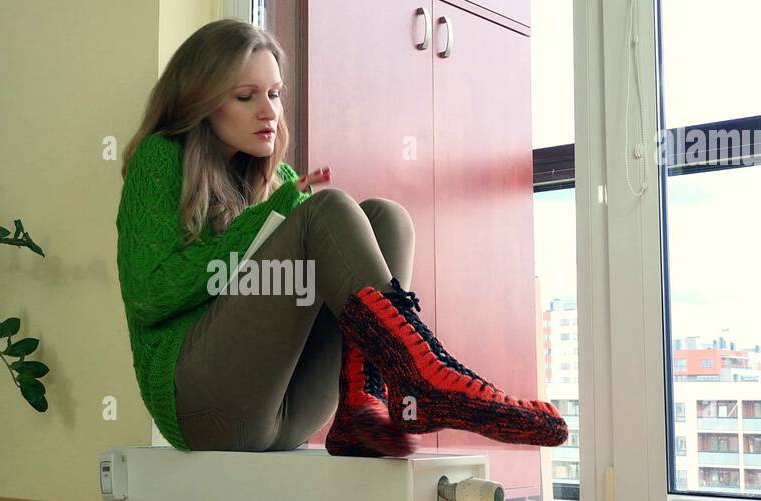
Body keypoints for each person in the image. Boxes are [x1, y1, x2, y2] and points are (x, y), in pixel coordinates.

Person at [116, 19, 568, 456]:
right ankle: (422, 373)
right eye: (244, 96)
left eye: (274, 93)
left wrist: (273, 212)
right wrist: (262, 220)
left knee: (385, 217)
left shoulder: (281, 183)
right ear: (201, 101)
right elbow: (147, 295)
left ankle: (362, 403)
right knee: (326, 208)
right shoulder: (161, 159)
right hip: (203, 407)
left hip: (287, 411)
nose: (268, 110)